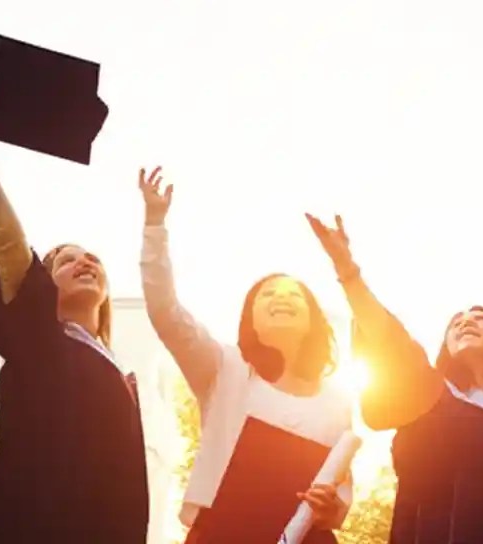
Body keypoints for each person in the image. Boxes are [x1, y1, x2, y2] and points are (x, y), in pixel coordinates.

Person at [0, 84, 148, 543]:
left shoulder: (120, 375)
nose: (85, 262)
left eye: (93, 259)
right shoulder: (41, 339)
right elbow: (8, 238)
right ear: (41, 285)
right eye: (66, 259)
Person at [307, 214, 483, 544]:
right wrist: (348, 272)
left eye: (480, 318)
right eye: (456, 323)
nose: (465, 323)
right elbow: (391, 344)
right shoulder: (433, 398)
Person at [137, 167, 352, 543]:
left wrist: (333, 506)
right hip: (225, 533)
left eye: (293, 294)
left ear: (314, 321)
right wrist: (155, 225)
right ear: (249, 318)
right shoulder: (224, 367)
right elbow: (165, 311)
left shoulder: (337, 402)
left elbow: (342, 494)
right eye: (267, 294)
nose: (281, 297)